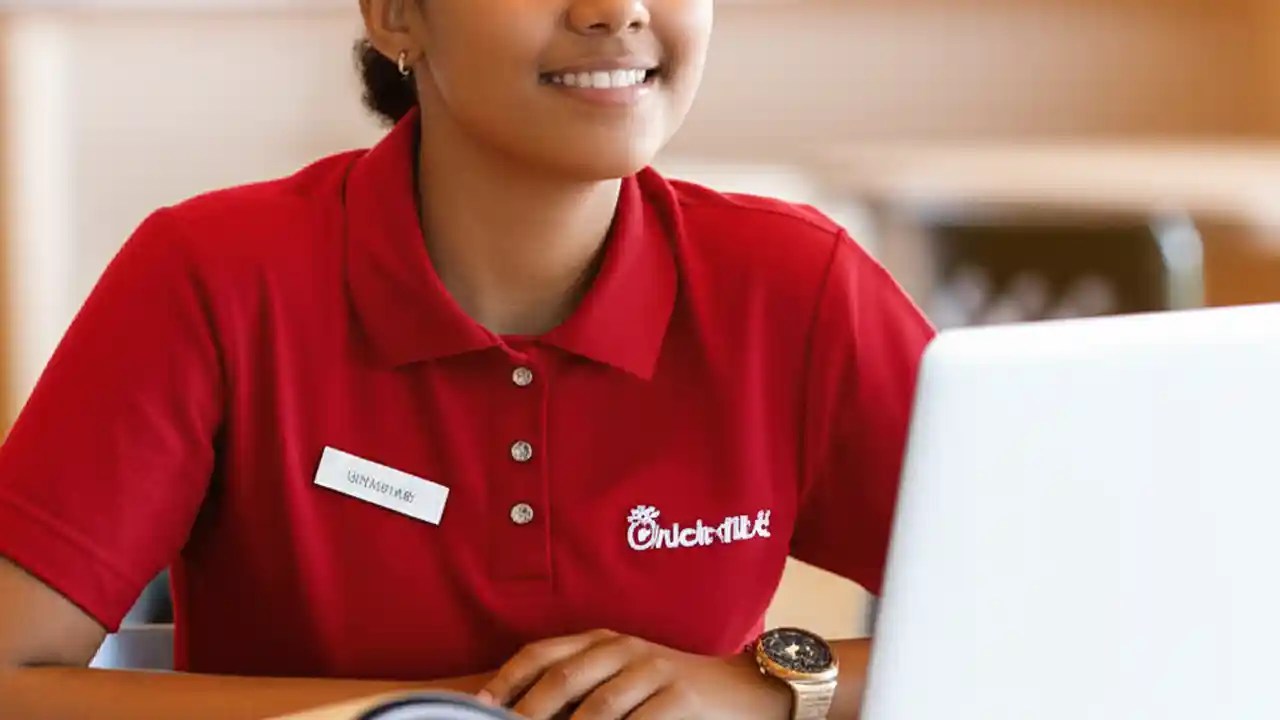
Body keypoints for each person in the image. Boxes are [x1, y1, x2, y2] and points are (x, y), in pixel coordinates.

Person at [0, 0, 934, 718]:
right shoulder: (208, 278)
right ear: (395, 14)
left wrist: (763, 688)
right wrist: (434, 715)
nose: (616, 10)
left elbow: (1025, 622)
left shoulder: (799, 286)